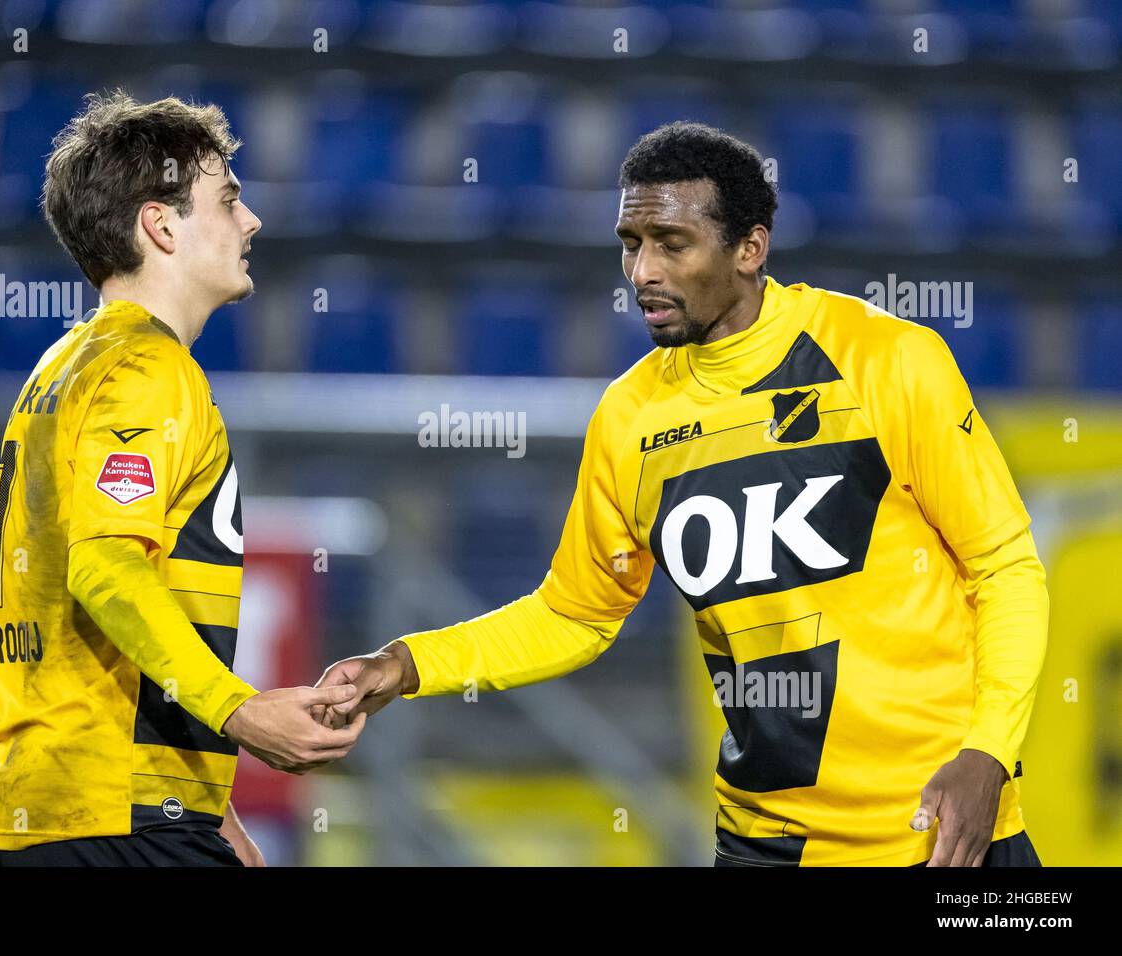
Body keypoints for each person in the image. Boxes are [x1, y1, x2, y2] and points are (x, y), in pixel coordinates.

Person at [317, 122, 1048, 867]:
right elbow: (573, 614)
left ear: (749, 249)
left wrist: (988, 754)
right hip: (763, 843)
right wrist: (406, 664)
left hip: (941, 830)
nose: (641, 271)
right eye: (630, 243)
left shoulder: (886, 360)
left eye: (671, 242)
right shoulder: (632, 418)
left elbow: (1006, 570)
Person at [0, 91, 365, 867]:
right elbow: (105, 566)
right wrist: (241, 713)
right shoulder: (152, 371)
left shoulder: (61, 367)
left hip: (31, 815)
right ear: (161, 225)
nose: (250, 223)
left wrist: (209, 812)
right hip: (116, 824)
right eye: (229, 200)